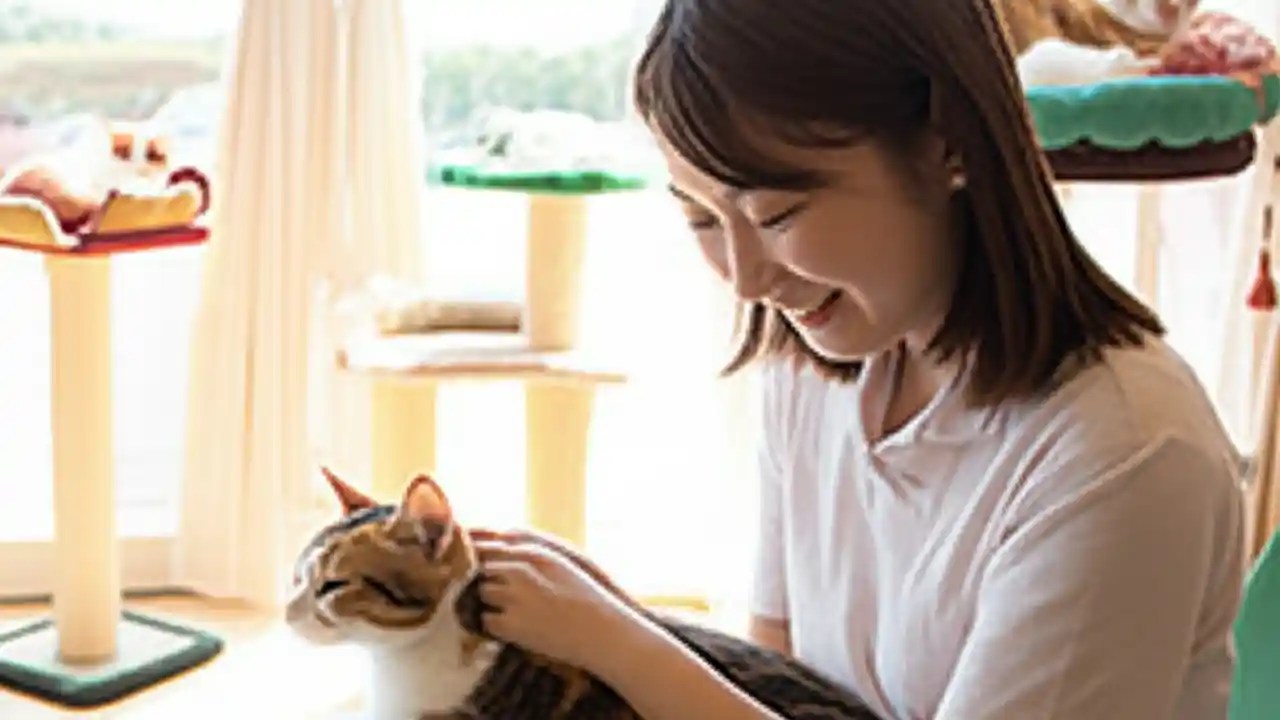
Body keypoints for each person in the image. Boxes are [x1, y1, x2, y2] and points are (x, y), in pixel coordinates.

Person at [470, 0, 1247, 718]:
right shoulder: (812, 369)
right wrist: (622, 629)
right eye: (702, 220)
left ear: (946, 145)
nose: (747, 278)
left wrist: (623, 642)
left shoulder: (1124, 454)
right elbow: (774, 687)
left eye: (778, 213)